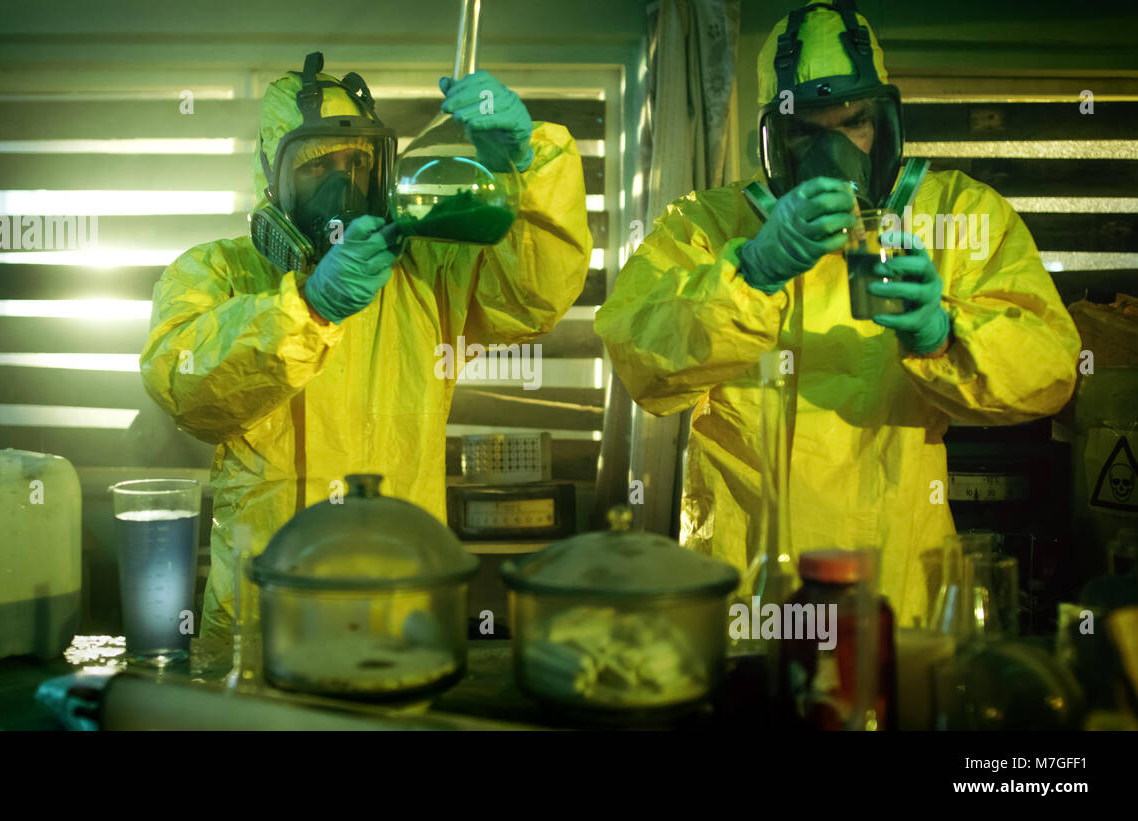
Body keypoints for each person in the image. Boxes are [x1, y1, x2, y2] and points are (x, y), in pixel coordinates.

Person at [594, 0, 1080, 625]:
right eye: (806, 131)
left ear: (885, 123)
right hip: (748, 584)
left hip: (898, 578)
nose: (833, 152)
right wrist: (749, 274)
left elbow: (1051, 371)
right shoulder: (708, 225)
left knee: (888, 676)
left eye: (853, 123)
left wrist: (946, 335)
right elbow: (641, 364)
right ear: (774, 137)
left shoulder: (957, 216)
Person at [141, 53, 592, 642]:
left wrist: (526, 166)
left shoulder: (425, 267)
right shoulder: (216, 272)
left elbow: (533, 296)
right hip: (268, 612)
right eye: (317, 165)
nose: (343, 182)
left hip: (402, 602)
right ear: (273, 177)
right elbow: (188, 391)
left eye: (357, 162)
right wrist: (307, 308)